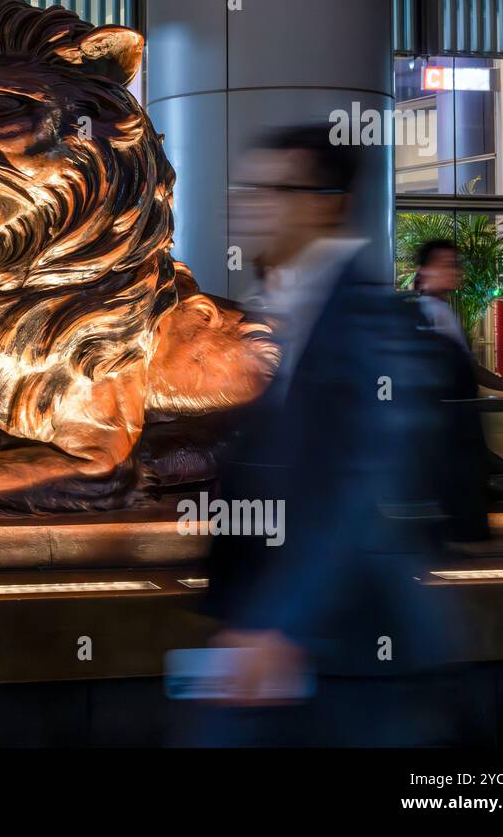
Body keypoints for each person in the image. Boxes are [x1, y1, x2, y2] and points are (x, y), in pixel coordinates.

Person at [188, 124, 462, 747]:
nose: (249, 202)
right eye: (246, 186)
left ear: (325, 203)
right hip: (281, 648)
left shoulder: (367, 317)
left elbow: (357, 486)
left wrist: (276, 628)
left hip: (350, 650)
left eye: (271, 189)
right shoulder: (283, 306)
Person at [414, 238, 503, 507]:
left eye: (456, 265)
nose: (455, 271)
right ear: (425, 272)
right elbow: (468, 369)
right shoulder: (433, 312)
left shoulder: (431, 310)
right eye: (446, 265)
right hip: (449, 424)